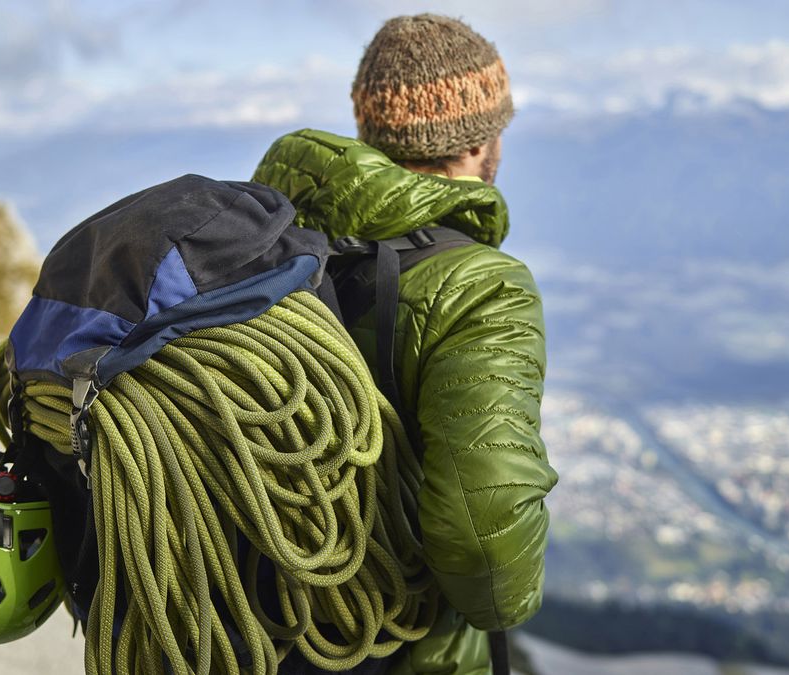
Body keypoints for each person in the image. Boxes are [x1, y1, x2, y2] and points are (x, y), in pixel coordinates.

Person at [252, 14, 559, 674]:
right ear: (479, 143)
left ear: (371, 132)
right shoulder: (481, 286)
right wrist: (507, 604)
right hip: (394, 646)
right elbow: (487, 547)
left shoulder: (270, 240)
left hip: (253, 629)